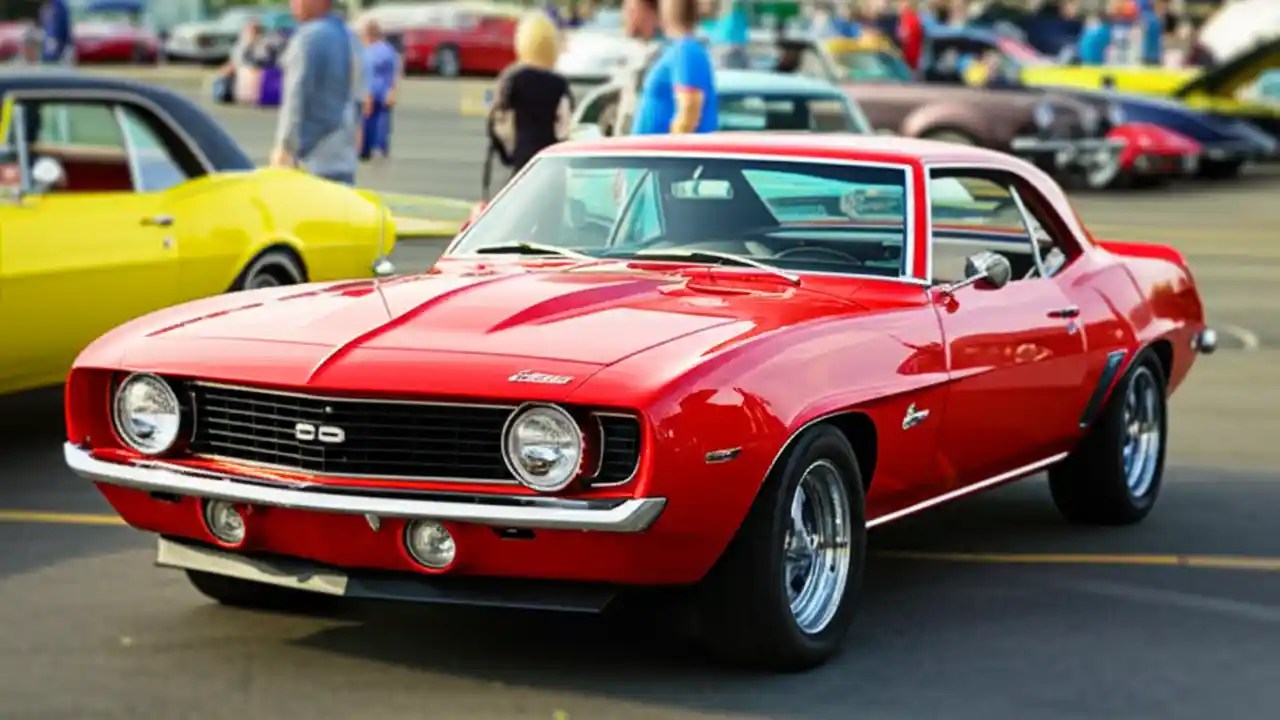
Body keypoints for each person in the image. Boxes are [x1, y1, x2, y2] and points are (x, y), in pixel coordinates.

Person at [271, 0, 365, 186]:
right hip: (342, 148)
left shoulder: (308, 38)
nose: (293, 3)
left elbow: (295, 96)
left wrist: (284, 146)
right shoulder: (348, 35)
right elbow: (359, 90)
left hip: (311, 154)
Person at [484, 12, 574, 197]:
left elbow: (494, 124)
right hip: (553, 168)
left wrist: (507, 156)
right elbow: (565, 129)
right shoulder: (560, 84)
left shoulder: (513, 79)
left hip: (523, 165)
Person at [631, 0, 717, 135]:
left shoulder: (686, 50)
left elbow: (690, 108)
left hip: (663, 153)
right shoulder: (675, 50)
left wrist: (667, 150)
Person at [614, 0, 666, 136]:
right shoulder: (632, 55)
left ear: (652, 14)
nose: (625, 16)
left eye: (632, 10)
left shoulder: (663, 60)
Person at [357, 16, 401, 161]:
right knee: (373, 122)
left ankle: (374, 149)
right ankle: (371, 149)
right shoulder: (376, 50)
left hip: (376, 91)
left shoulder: (378, 51)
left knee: (376, 122)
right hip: (376, 91)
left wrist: (391, 90)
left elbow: (392, 72)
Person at [39, 0, 72, 65]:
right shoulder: (47, 7)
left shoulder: (60, 6)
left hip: (56, 49)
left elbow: (64, 29)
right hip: (49, 49)